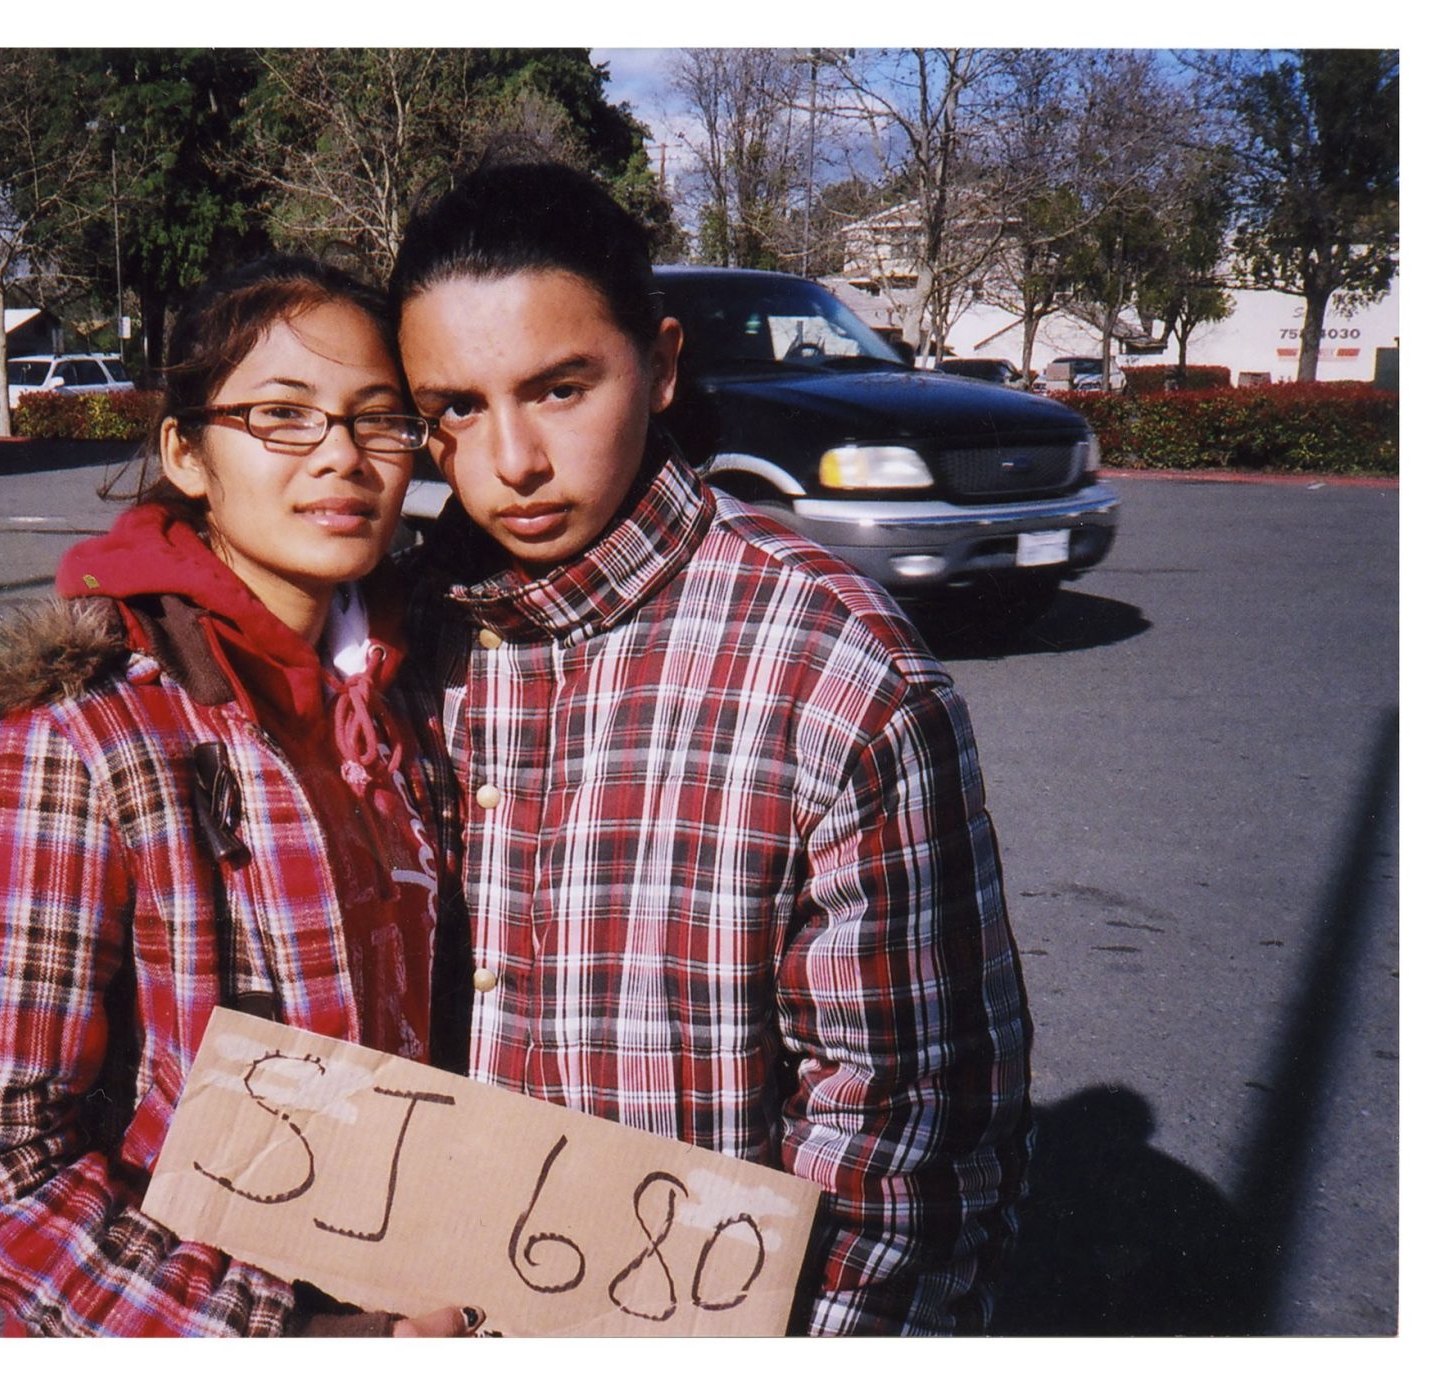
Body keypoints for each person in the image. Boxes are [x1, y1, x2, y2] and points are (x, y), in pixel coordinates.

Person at [388, 163, 1033, 1335]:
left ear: (663, 363)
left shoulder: (834, 669)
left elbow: (907, 1140)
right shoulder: (390, 633)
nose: (512, 461)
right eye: (456, 407)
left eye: (560, 388)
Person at [0, 255, 471, 1338]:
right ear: (186, 454)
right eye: (281, 416)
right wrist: (286, 1343)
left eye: (378, 419)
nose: (338, 456)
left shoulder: (410, 700)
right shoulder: (74, 750)